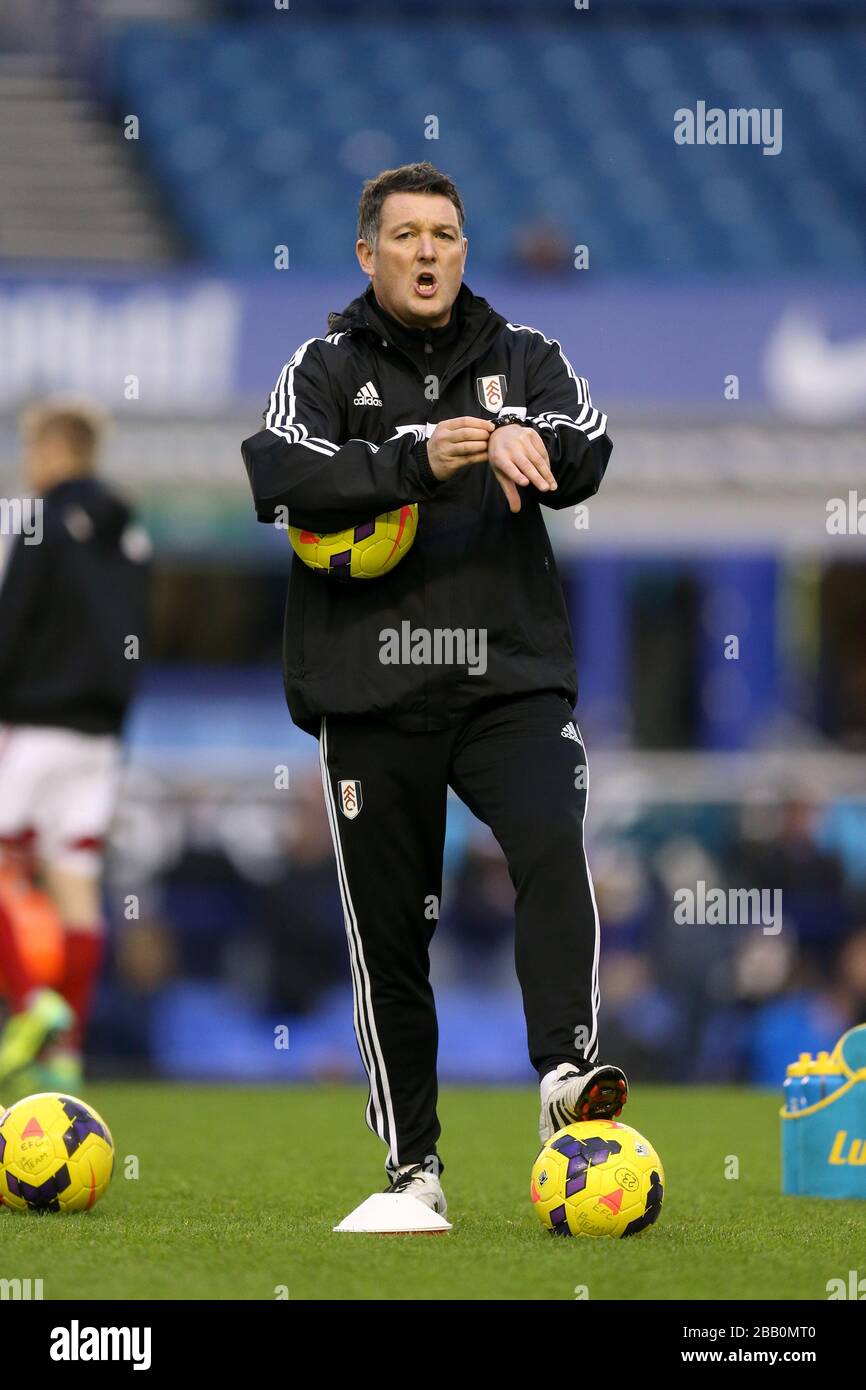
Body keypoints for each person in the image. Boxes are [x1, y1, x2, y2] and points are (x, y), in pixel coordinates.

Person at [242, 162, 625, 1220]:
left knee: (550, 842)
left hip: (508, 682)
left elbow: (591, 444)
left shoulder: (524, 355)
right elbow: (277, 472)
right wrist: (413, 459)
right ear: (367, 253)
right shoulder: (322, 365)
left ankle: (564, 1072)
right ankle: (415, 1169)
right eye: (406, 235)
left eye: (444, 235)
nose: (427, 252)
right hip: (372, 694)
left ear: (463, 250)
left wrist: (528, 440)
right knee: (391, 938)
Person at [0, 400, 151, 1092]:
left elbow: (12, 622)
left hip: (34, 720)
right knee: (75, 882)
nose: (29, 462)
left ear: (56, 450)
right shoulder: (130, 529)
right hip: (101, 734)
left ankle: (34, 1004)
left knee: (8, 864)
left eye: (32, 448)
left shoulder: (41, 520)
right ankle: (67, 1054)